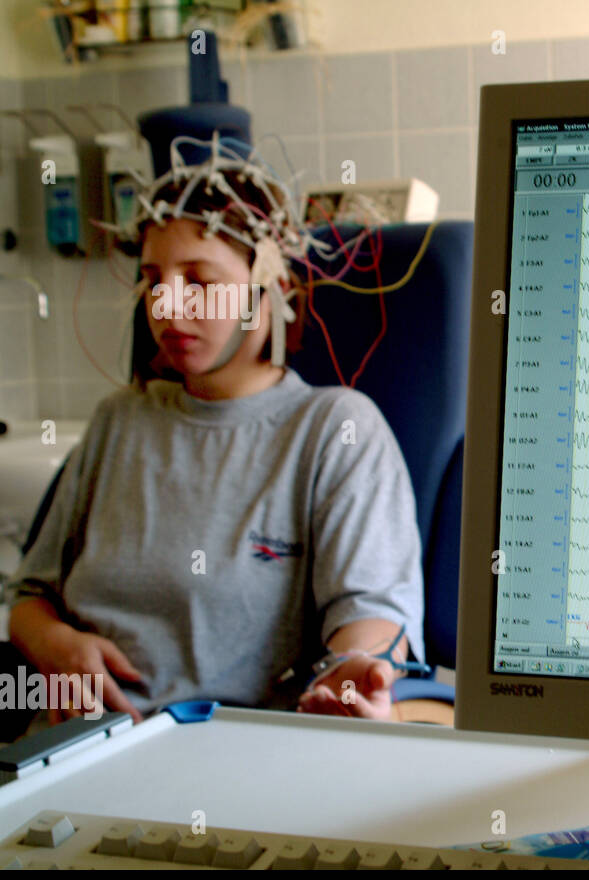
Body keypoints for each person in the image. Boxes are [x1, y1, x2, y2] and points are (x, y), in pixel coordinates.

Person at [3, 139, 423, 731]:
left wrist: (353, 678)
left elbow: (372, 613)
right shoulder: (118, 421)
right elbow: (28, 596)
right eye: (152, 279)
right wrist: (55, 646)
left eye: (199, 280)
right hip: (70, 748)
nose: (166, 304)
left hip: (228, 756)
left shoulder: (335, 430)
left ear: (271, 287)